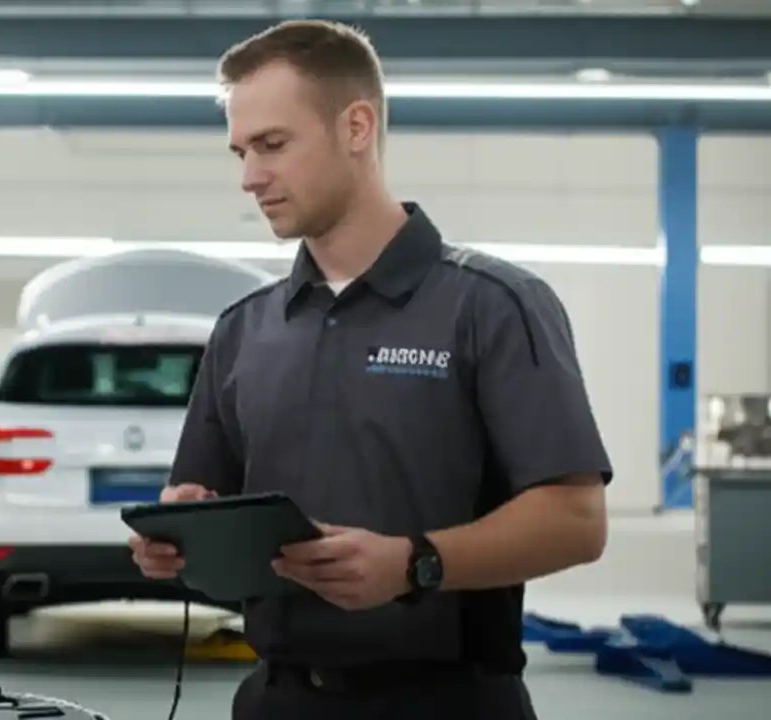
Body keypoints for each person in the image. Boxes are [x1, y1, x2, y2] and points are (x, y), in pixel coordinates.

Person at [128, 19, 612, 720]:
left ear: (356, 127)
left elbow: (576, 519)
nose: (249, 177)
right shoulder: (244, 329)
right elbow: (207, 510)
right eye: (240, 151)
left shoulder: (493, 306)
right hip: (276, 701)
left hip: (448, 704)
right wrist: (178, 540)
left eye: (272, 145)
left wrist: (415, 562)